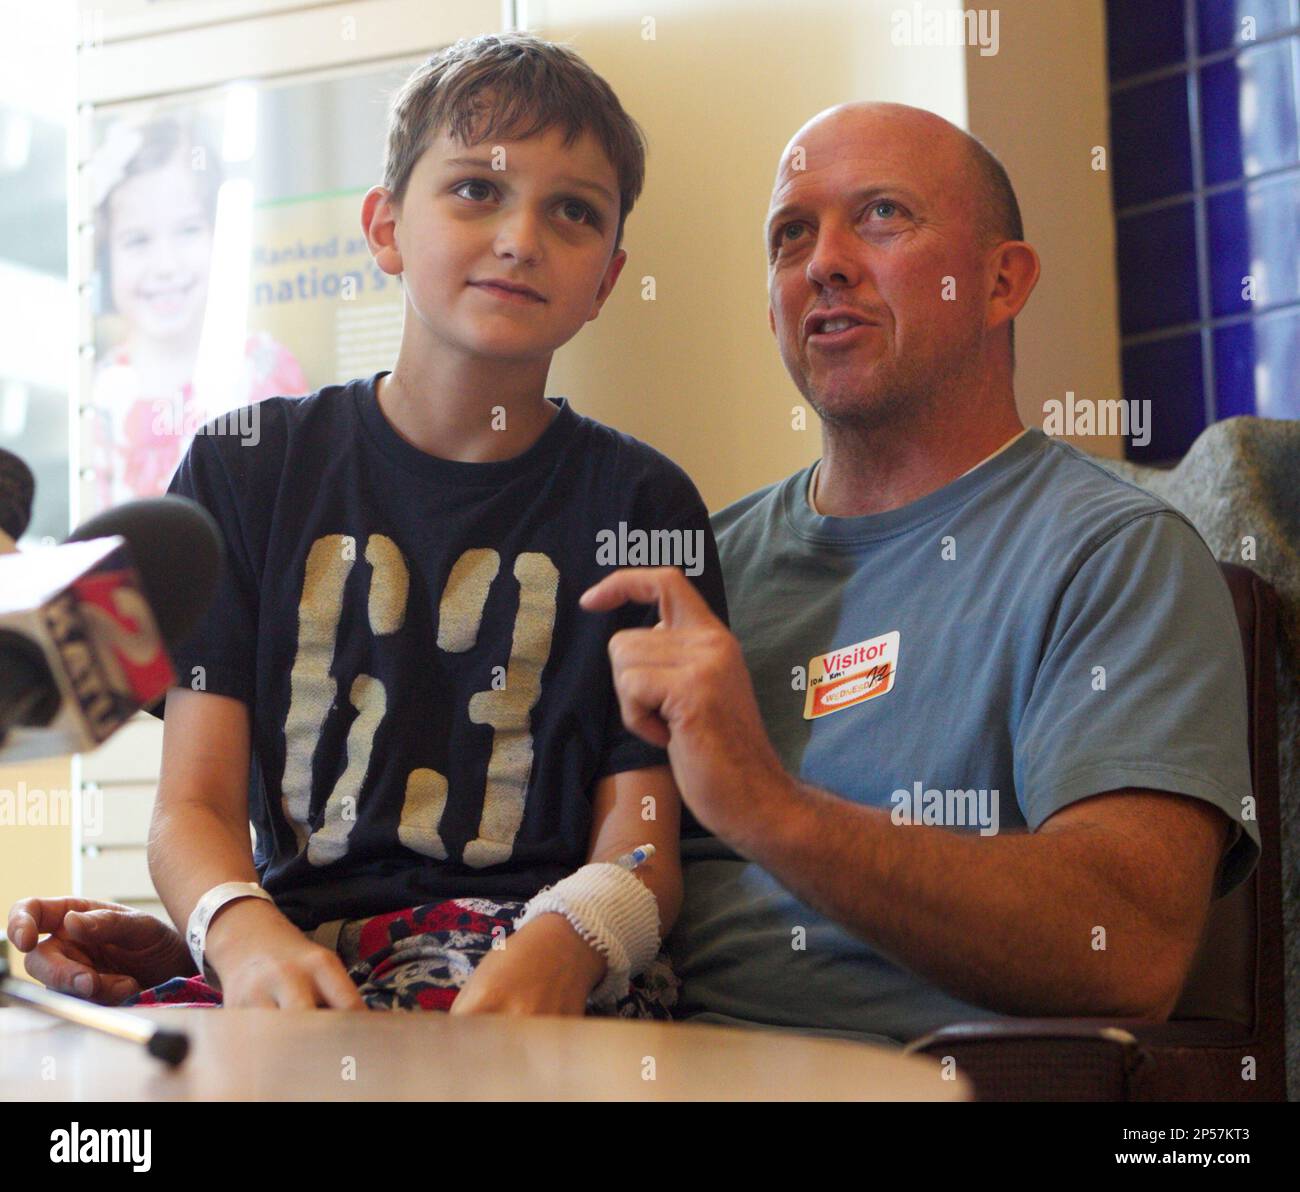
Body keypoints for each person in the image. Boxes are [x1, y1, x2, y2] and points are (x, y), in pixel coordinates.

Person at [10, 101, 1257, 1047]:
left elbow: (1130, 946)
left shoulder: (1114, 556)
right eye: (788, 234)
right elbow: (492, 885)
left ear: (1003, 280)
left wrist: (766, 807)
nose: (821, 259)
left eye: (880, 215)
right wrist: (221, 927)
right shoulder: (700, 551)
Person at [9, 33, 726, 1017]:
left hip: (541, 971)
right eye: (477, 189)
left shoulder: (644, 506)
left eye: (572, 211)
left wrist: (576, 940)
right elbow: (193, 808)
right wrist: (238, 929)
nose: (521, 235)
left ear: (606, 277)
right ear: (384, 228)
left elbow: (645, 837)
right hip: (304, 968)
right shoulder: (244, 469)